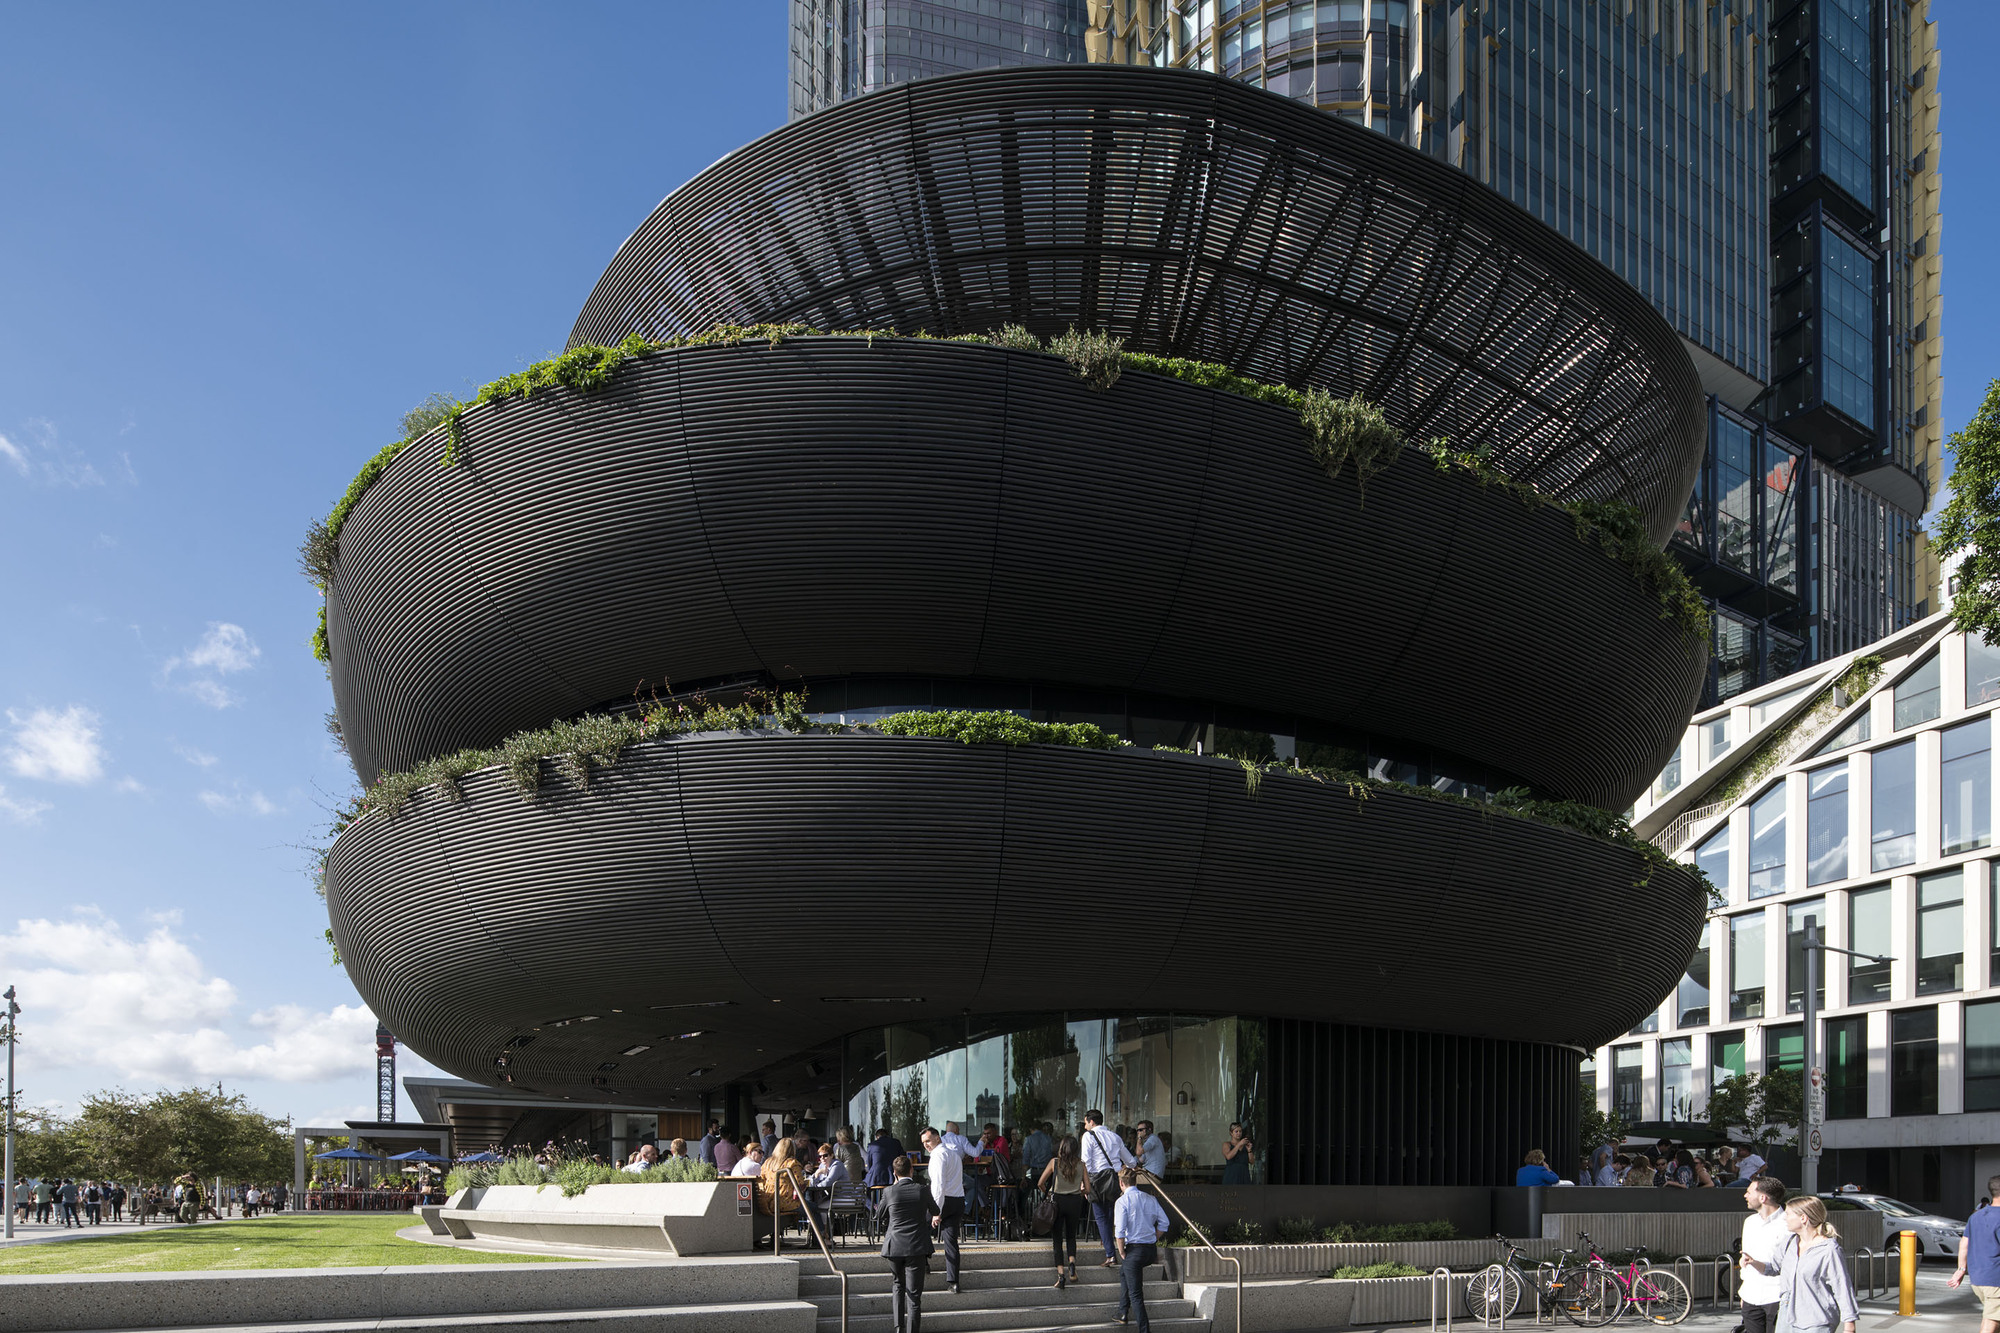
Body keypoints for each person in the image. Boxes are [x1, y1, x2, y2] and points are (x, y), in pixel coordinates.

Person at [1741, 1196, 1857, 1333]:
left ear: (1803, 1218)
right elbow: (1773, 1268)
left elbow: (1842, 1286)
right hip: (1787, 1318)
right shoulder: (1790, 1242)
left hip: (1816, 1320)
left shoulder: (1828, 1250)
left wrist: (1849, 1324)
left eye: (1788, 1214)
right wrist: (1754, 1263)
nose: (1784, 1218)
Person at [876, 1154, 938, 1333]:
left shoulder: (889, 1191)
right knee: (914, 1295)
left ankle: (898, 1327)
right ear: (912, 1170)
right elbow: (936, 1210)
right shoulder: (922, 1190)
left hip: (894, 1246)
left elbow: (878, 1215)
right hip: (916, 1246)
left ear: (894, 1173)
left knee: (897, 1285)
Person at [1113, 1168, 1170, 1333]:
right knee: (1125, 1272)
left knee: (1136, 1295)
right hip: (1150, 1250)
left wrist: (1121, 1251)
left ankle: (1144, 1330)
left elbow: (1120, 1231)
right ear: (1135, 1182)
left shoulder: (1122, 1201)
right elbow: (1164, 1223)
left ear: (1121, 1183)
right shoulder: (1150, 1198)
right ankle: (1122, 1311)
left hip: (1134, 1250)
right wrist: (1153, 1238)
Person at [920, 1125, 974, 1293]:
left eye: (928, 1140)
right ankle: (953, 1282)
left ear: (938, 1138)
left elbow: (938, 1186)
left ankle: (925, 1261)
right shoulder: (954, 1154)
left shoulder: (937, 1156)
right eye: (923, 1143)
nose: (926, 1145)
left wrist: (936, 1212)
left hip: (943, 1201)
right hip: (957, 1200)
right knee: (951, 1242)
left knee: (920, 1227)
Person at [1081, 1110, 1136, 1266]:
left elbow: (1086, 1162)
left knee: (1101, 1217)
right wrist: (1122, 1166)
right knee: (1114, 1217)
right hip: (1115, 1179)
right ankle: (1121, 1249)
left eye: (1085, 1123)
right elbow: (1131, 1162)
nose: (1085, 1127)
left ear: (1091, 1121)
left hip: (1096, 1180)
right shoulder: (1115, 1137)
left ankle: (1111, 1254)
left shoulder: (1088, 1136)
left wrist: (1084, 1183)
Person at [1735, 1177, 1788, 1333]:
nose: (1745, 1195)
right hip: (1751, 1296)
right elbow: (1746, 1258)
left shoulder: (1788, 1224)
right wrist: (1744, 1293)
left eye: (1749, 1192)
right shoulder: (1750, 1222)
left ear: (1763, 1198)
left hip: (1777, 1296)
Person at [1949, 1175, 2000, 1333]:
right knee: (1992, 1320)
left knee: (1993, 1316)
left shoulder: (1976, 1216)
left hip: (1978, 1279)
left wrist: (1961, 1269)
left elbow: (1964, 1243)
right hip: (1996, 1280)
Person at [1039, 1134, 1088, 1288]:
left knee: (1057, 1240)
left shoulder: (1055, 1162)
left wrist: (1049, 1193)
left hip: (1057, 1202)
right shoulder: (1081, 1164)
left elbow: (1040, 1183)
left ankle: (1061, 1276)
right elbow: (1088, 1188)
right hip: (1074, 1202)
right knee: (1071, 1236)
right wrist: (1077, 1193)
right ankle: (1072, 1264)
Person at [806, 1142, 850, 1239]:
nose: (822, 1159)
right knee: (814, 1206)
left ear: (831, 1155)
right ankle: (819, 1236)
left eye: (825, 1156)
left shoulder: (837, 1165)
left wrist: (816, 1183)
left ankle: (825, 1237)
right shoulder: (822, 1166)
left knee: (818, 1207)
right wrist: (816, 1174)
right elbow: (811, 1182)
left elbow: (828, 1182)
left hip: (844, 1198)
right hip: (834, 1197)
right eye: (820, 1157)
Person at [866, 1127, 906, 1192]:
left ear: (877, 1137)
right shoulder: (896, 1142)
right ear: (888, 1135)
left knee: (861, 1188)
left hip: (876, 1178)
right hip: (893, 1177)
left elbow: (869, 1164)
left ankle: (874, 1202)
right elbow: (903, 1158)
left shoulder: (872, 1145)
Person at [1022, 1122, 1055, 1193]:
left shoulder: (1029, 1139)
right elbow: (1053, 1153)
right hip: (1047, 1171)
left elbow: (1026, 1158)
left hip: (1034, 1171)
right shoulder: (1048, 1138)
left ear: (1031, 1129)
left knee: (1034, 1194)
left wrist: (1023, 1177)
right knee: (1045, 1193)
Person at [1219, 1122, 1253, 1186]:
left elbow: (1252, 1161)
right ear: (1231, 1133)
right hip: (1232, 1175)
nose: (1238, 1133)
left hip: (1244, 1175)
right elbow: (1228, 1156)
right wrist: (1239, 1144)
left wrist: (1249, 1150)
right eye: (1236, 1131)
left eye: (1240, 1131)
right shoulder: (1227, 1144)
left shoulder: (1245, 1145)